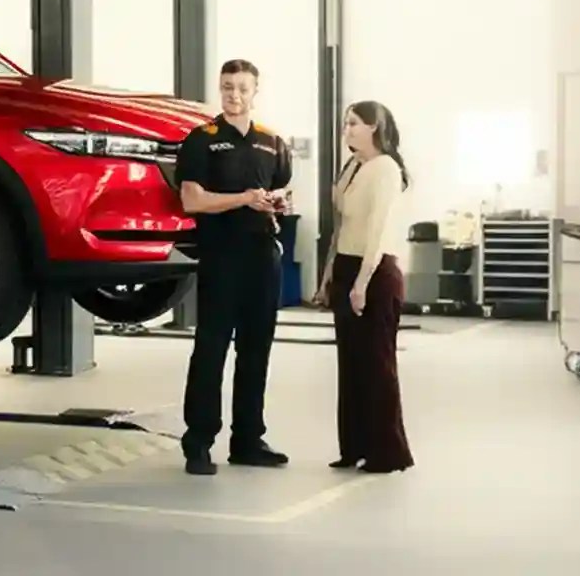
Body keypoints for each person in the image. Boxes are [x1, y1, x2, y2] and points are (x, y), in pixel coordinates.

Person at [174, 58, 292, 476]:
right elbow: (191, 199)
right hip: (221, 255)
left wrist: (279, 202)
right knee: (212, 347)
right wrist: (243, 198)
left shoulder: (272, 141)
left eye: (242, 88)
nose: (234, 95)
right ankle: (198, 443)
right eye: (227, 87)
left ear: (255, 91)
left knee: (256, 349)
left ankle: (248, 440)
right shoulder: (201, 140)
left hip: (263, 255)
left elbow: (282, 189)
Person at [314, 100, 415, 474]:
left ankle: (387, 452)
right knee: (351, 364)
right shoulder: (353, 167)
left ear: (374, 127)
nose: (348, 129)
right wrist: (328, 276)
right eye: (346, 123)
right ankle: (353, 446)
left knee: (377, 365)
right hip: (345, 265)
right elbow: (340, 228)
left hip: (374, 271)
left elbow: (378, 232)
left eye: (354, 123)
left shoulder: (386, 169)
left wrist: (361, 284)